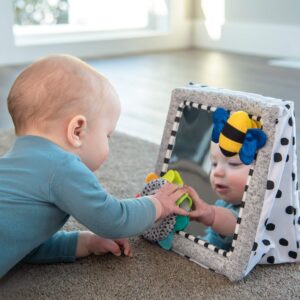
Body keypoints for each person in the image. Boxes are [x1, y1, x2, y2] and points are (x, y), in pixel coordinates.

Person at [0, 54, 188, 278]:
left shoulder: (15, 166)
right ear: (77, 131)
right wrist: (157, 204)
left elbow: (21, 242)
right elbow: (114, 219)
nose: (108, 143)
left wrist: (85, 242)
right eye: (107, 135)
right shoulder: (61, 166)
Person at [186, 141, 251, 251]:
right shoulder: (222, 203)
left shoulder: (252, 213)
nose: (217, 172)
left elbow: (237, 226)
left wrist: (211, 214)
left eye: (233, 163)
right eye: (214, 164)